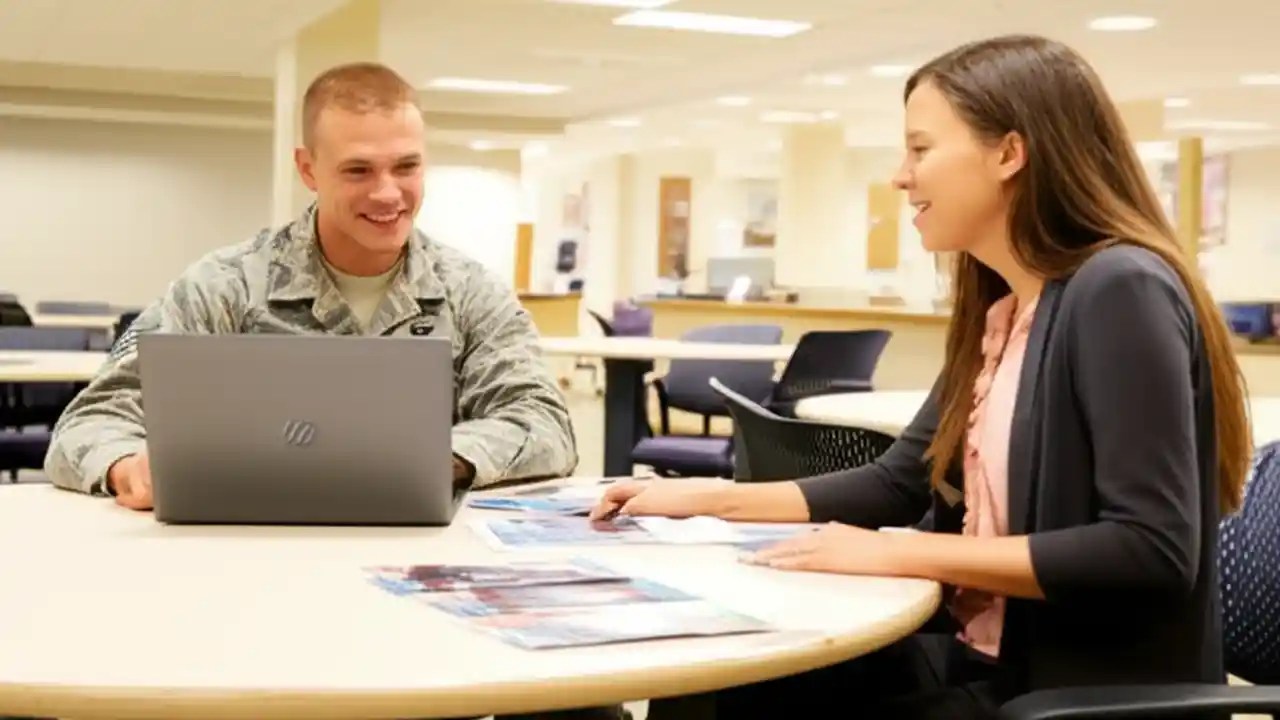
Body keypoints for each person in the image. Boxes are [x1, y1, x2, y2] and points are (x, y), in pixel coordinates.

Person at [591, 34, 1252, 719]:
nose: (900, 177)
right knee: (717, 672)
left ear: (1008, 153)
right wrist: (707, 499)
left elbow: (1150, 552)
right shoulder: (1003, 310)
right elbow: (899, 481)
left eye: (921, 149)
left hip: (1068, 696)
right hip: (988, 661)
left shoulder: (1120, 289)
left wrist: (911, 555)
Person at [44, 62, 577, 506]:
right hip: (247, 560)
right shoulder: (225, 287)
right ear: (308, 168)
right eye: (359, 171)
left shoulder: (470, 293)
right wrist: (125, 465)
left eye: (406, 166)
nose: (389, 194)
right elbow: (91, 421)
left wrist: (440, 458)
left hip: (418, 557)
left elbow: (543, 423)